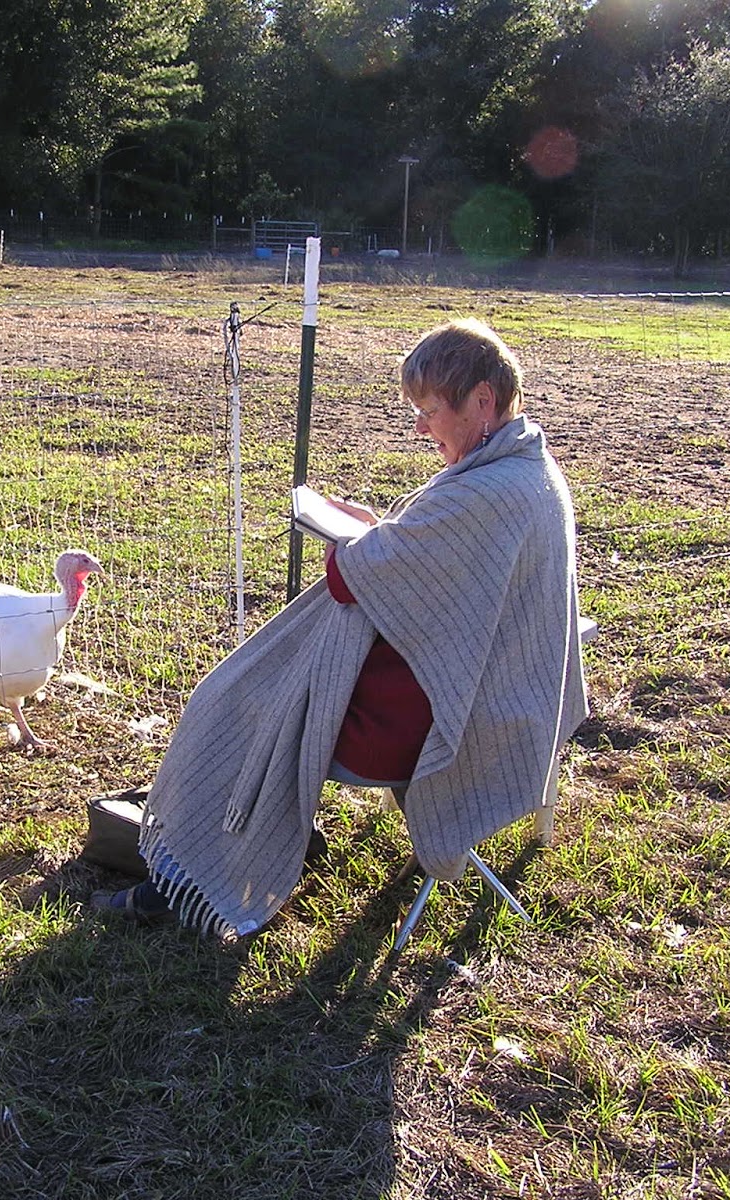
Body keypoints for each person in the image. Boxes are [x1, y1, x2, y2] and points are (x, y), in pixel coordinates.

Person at [93, 318, 588, 936]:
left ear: (482, 402)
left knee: (235, 706)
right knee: (248, 693)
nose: (420, 427)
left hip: (440, 723)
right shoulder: (526, 469)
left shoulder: (491, 491)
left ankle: (186, 883)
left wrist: (348, 540)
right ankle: (222, 849)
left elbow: (351, 579)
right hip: (480, 691)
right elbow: (447, 575)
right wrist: (383, 531)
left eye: (429, 410)